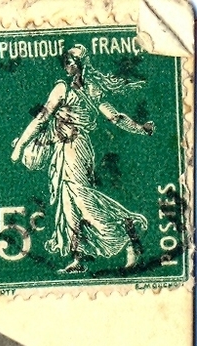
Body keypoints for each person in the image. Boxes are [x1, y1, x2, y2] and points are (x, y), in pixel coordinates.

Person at [10, 44, 155, 273]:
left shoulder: (87, 89)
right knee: (67, 205)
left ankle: (126, 235)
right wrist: (22, 144)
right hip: (64, 148)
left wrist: (139, 128)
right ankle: (79, 258)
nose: (67, 66)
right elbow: (43, 117)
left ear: (81, 64)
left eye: (71, 62)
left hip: (76, 149)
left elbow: (115, 117)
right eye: (65, 62)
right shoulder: (64, 88)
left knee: (80, 199)